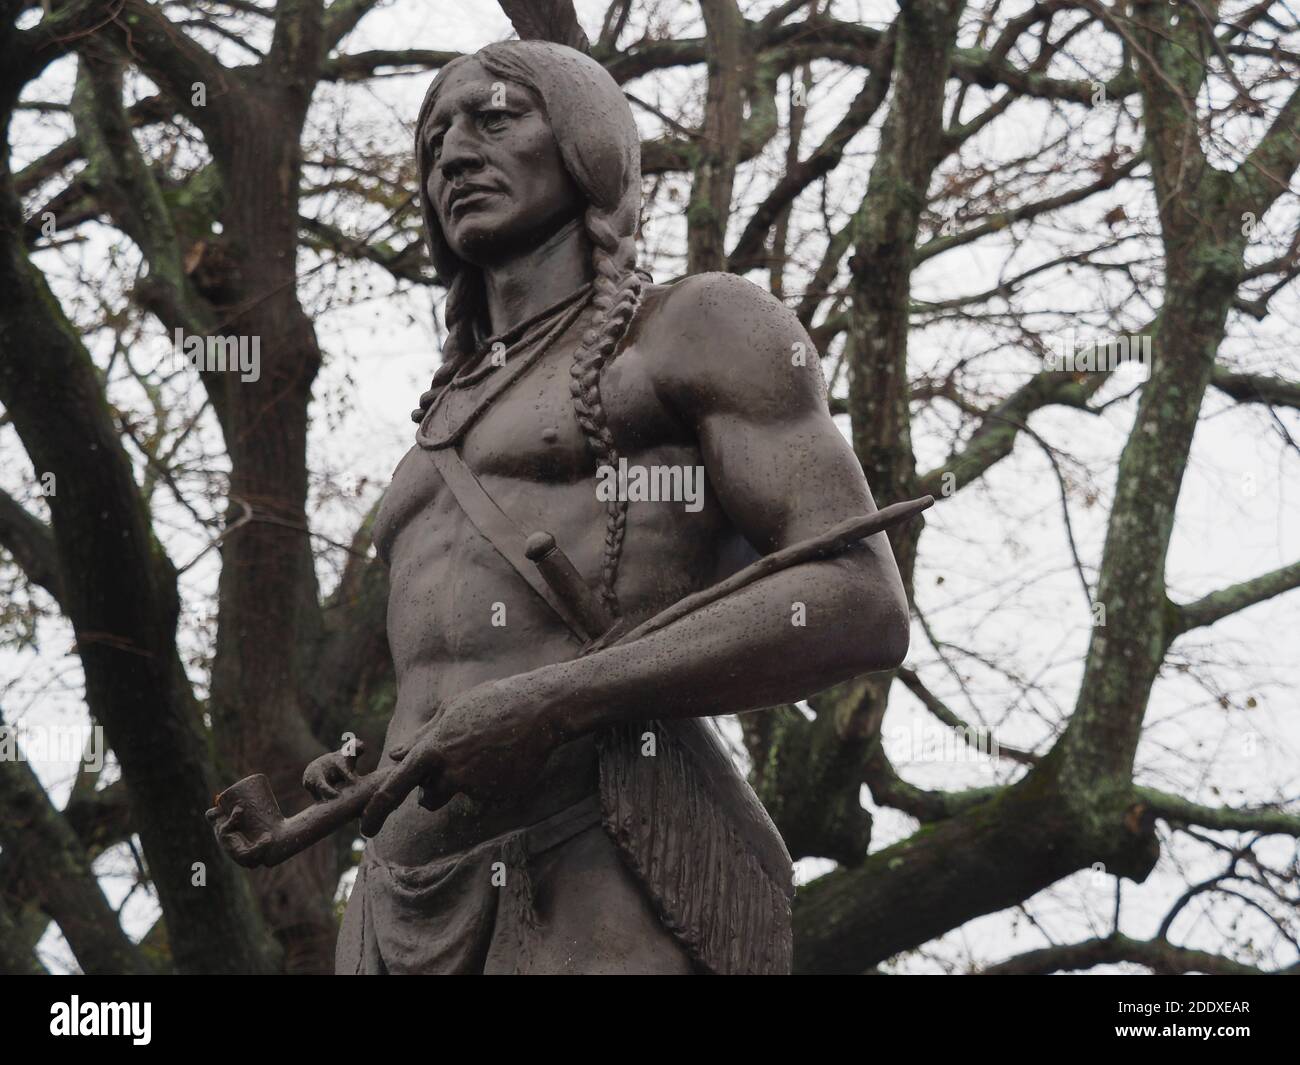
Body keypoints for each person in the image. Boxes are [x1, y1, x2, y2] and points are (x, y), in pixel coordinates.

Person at [311, 40, 909, 975]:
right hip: (390, 909)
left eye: (495, 119)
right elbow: (459, 671)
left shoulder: (698, 327)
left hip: (592, 868)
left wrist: (554, 702)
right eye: (434, 143)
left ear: (590, 147)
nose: (454, 156)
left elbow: (857, 599)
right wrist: (371, 764)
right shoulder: (435, 424)